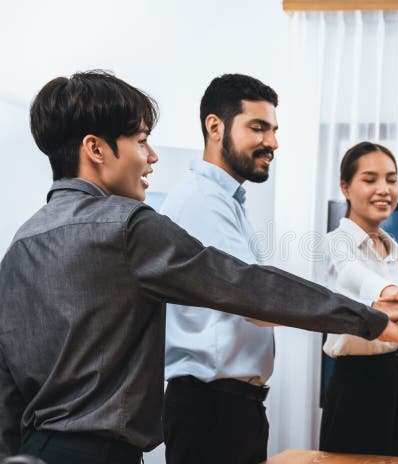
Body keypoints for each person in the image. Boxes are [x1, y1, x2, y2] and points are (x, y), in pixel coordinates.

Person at [0, 71, 398, 463]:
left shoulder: (22, 241)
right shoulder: (129, 226)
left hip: (36, 452)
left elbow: (8, 385)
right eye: (140, 141)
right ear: (95, 148)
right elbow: (248, 288)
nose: (152, 157)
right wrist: (369, 318)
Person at [160, 74, 281, 464]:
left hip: (229, 409)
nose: (273, 143)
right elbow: (258, 301)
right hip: (212, 412)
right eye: (258, 127)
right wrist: (365, 313)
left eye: (274, 129)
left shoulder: (228, 202)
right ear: (215, 127)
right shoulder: (201, 202)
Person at [319, 141, 398, 457]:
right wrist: (396, 294)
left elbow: (397, 316)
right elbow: (351, 276)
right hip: (354, 384)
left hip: (393, 378)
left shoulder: (390, 248)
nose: (384, 189)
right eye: (370, 179)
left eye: (391, 179)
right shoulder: (335, 243)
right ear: (345, 187)